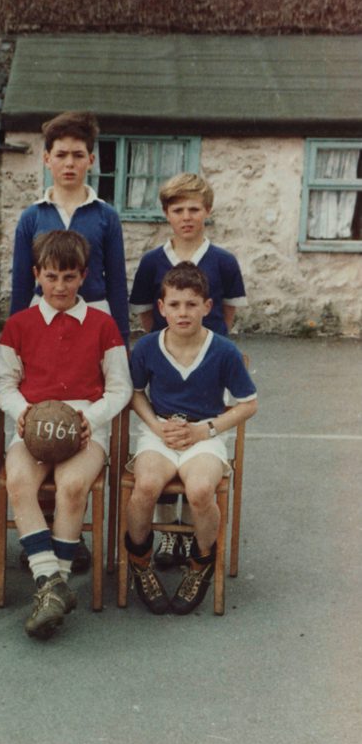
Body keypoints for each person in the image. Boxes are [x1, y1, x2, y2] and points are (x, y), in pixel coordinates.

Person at [9, 111, 130, 572]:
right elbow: (22, 283)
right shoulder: (31, 216)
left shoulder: (105, 216)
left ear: (91, 160)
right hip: (43, 322)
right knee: (41, 428)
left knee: (86, 423)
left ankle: (71, 539)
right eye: (61, 155)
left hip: (92, 318)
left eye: (79, 155)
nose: (70, 163)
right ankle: (41, 543)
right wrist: (19, 335)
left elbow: (116, 282)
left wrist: (120, 339)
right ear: (46, 159)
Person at [0, 230, 132, 639]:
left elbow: (120, 387)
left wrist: (92, 416)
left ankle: (55, 584)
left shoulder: (103, 325)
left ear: (83, 276)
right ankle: (53, 586)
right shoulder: (18, 325)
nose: (60, 286)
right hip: (33, 425)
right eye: (51, 276)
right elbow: (5, 384)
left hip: (85, 427)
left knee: (72, 486)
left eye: (69, 277)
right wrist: (23, 413)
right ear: (37, 274)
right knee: (19, 480)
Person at [129, 173, 248, 567]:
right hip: (167, 356)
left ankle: (194, 536)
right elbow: (146, 312)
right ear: (166, 213)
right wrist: (162, 348)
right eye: (178, 210)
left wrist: (208, 342)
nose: (186, 217)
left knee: (195, 464)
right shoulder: (152, 261)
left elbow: (227, 311)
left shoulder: (223, 260)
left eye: (194, 209)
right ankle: (167, 535)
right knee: (158, 464)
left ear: (207, 211)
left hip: (208, 358)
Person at [125, 262, 257, 615]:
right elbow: (136, 394)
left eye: (191, 304)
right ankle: (140, 562)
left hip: (203, 434)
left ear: (207, 307)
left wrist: (207, 429)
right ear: (162, 307)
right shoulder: (148, 347)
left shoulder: (224, 350)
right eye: (175, 304)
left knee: (200, 490)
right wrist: (156, 426)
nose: (183, 312)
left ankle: (200, 564)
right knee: (146, 486)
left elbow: (248, 405)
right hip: (161, 432)